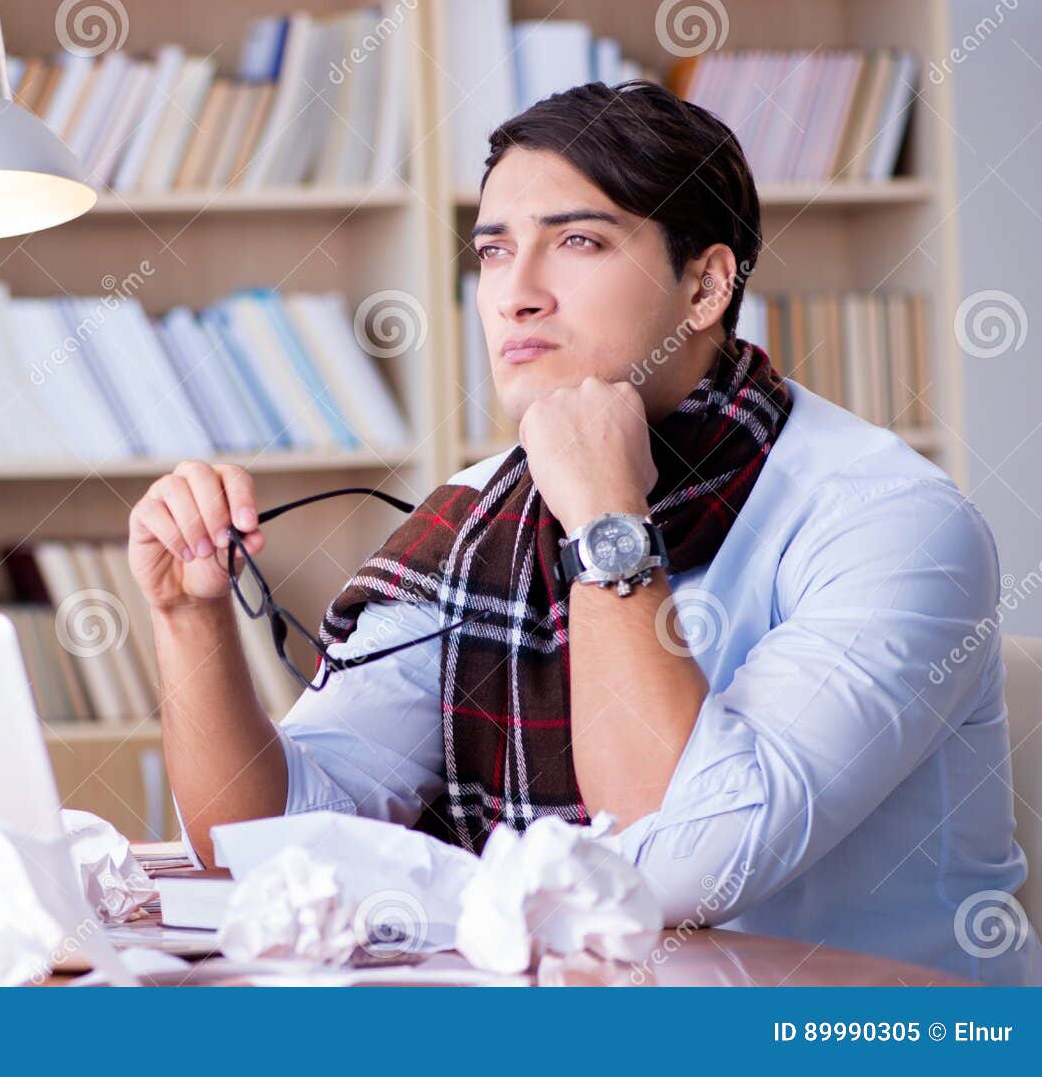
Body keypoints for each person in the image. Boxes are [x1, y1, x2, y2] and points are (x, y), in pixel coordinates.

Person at [126, 80, 1039, 984]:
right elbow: (270, 846)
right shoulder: (481, 520)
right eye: (493, 252)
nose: (515, 295)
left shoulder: (893, 521)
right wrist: (188, 618)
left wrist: (605, 520)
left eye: (578, 242)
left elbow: (680, 863)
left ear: (705, 285)